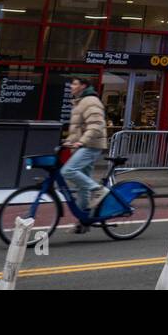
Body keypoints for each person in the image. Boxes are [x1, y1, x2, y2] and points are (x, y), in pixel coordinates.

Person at [61, 77, 109, 232]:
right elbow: (77, 129)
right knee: (82, 187)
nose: (71, 86)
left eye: (74, 84)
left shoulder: (90, 101)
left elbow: (96, 124)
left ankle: (99, 190)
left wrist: (82, 142)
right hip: (84, 145)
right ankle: (83, 222)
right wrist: (68, 141)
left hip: (91, 145)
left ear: (83, 86)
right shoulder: (80, 102)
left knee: (68, 171)